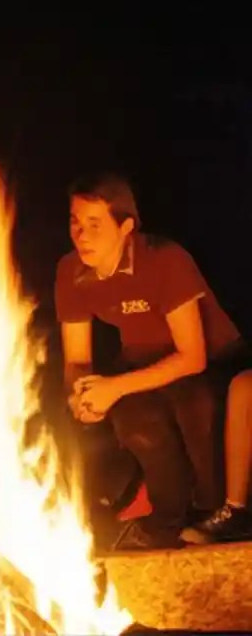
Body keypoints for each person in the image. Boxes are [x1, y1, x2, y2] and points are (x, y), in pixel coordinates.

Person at [57, 172, 247, 549]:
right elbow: (76, 358)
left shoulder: (163, 259)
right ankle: (166, 518)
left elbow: (192, 358)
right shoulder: (71, 270)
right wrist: (80, 395)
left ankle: (212, 512)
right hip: (144, 362)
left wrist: (115, 386)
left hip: (212, 360)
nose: (82, 235)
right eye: (76, 223)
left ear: (125, 227)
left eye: (95, 224)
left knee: (196, 404)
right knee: (131, 418)